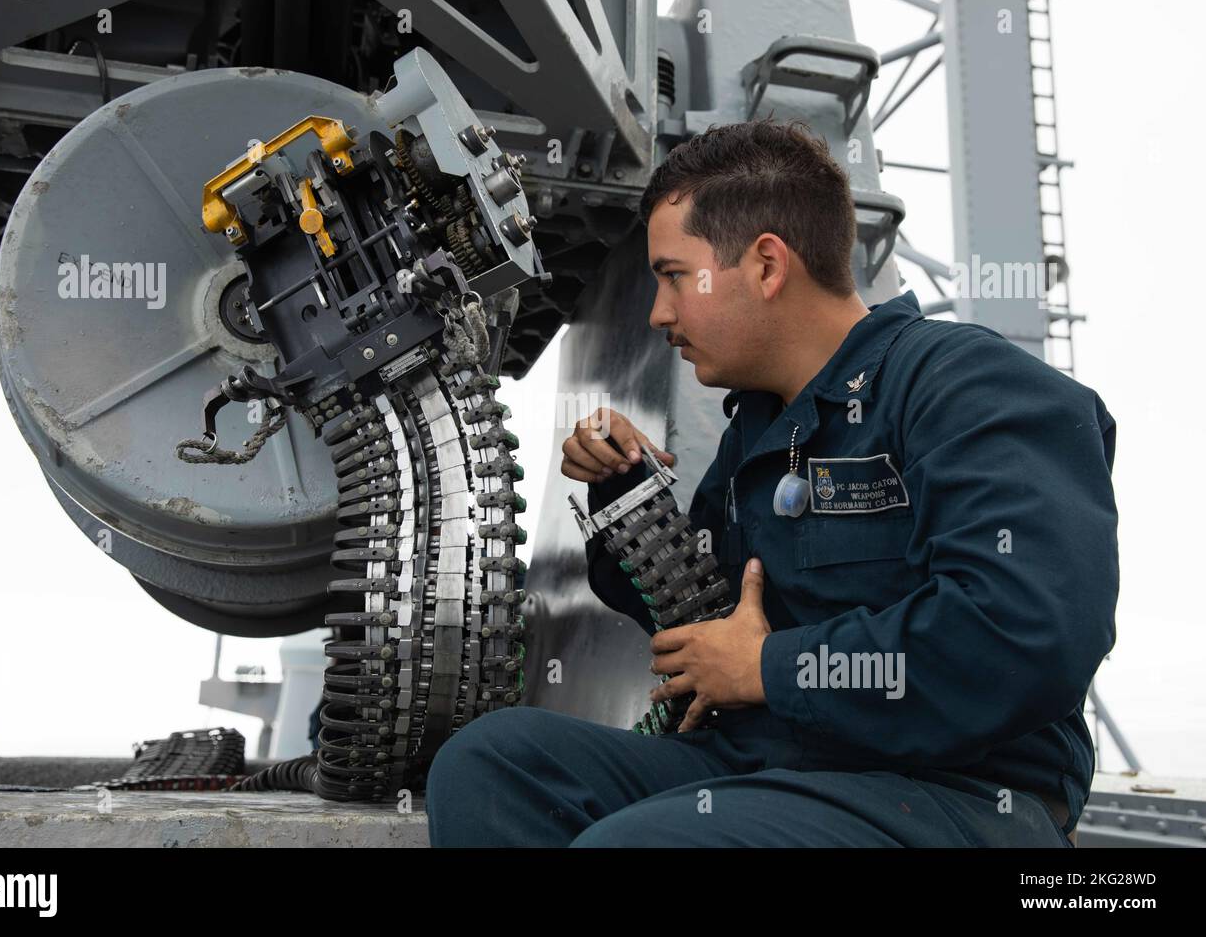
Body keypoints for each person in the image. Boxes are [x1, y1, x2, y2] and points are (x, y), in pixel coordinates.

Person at [424, 119, 1118, 847]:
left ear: (764, 265)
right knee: (491, 764)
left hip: (954, 788)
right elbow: (699, 620)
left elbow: (1024, 634)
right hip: (771, 761)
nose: (659, 312)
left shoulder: (968, 388)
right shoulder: (758, 433)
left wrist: (772, 668)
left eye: (671, 276)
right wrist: (622, 492)